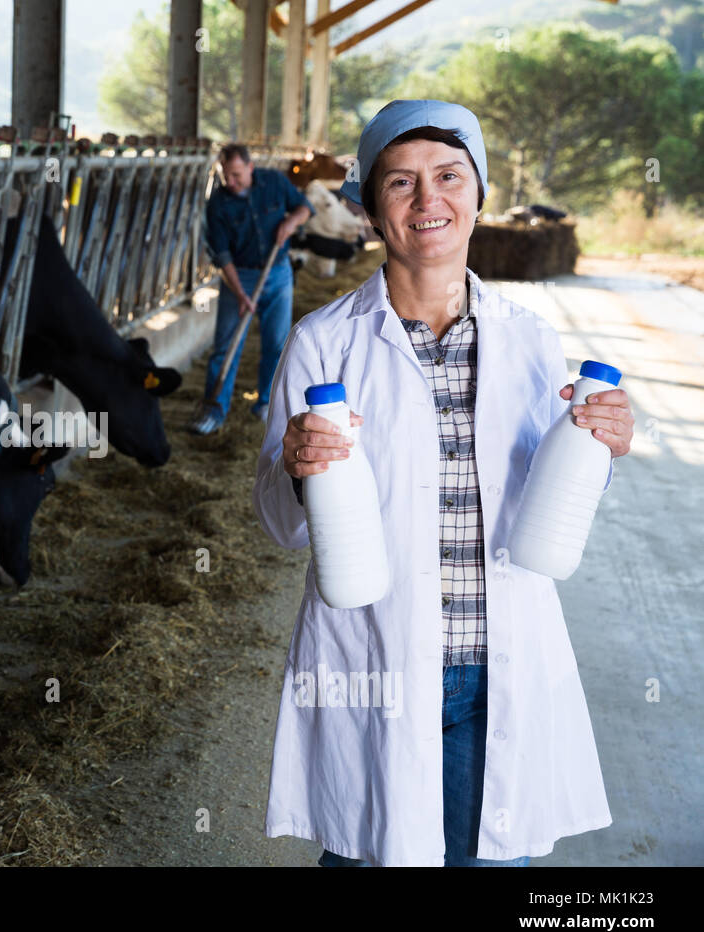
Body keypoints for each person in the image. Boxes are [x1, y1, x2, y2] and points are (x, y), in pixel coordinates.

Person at [252, 100, 634, 866]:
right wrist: (294, 469)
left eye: (450, 177)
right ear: (369, 208)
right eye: (400, 183)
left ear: (480, 194)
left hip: (499, 665)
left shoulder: (529, 340)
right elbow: (282, 524)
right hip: (378, 660)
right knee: (372, 852)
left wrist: (601, 444)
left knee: (488, 858)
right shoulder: (323, 343)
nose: (429, 202)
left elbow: (553, 503)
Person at [191, 144, 314, 435]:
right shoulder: (218, 202)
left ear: (250, 167)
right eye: (225, 176)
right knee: (226, 346)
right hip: (240, 277)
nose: (230, 182)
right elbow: (221, 255)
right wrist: (240, 293)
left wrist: (291, 222)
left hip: (279, 271)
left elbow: (304, 207)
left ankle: (267, 405)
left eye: (236, 175)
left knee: (277, 343)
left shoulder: (274, 182)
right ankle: (214, 409)